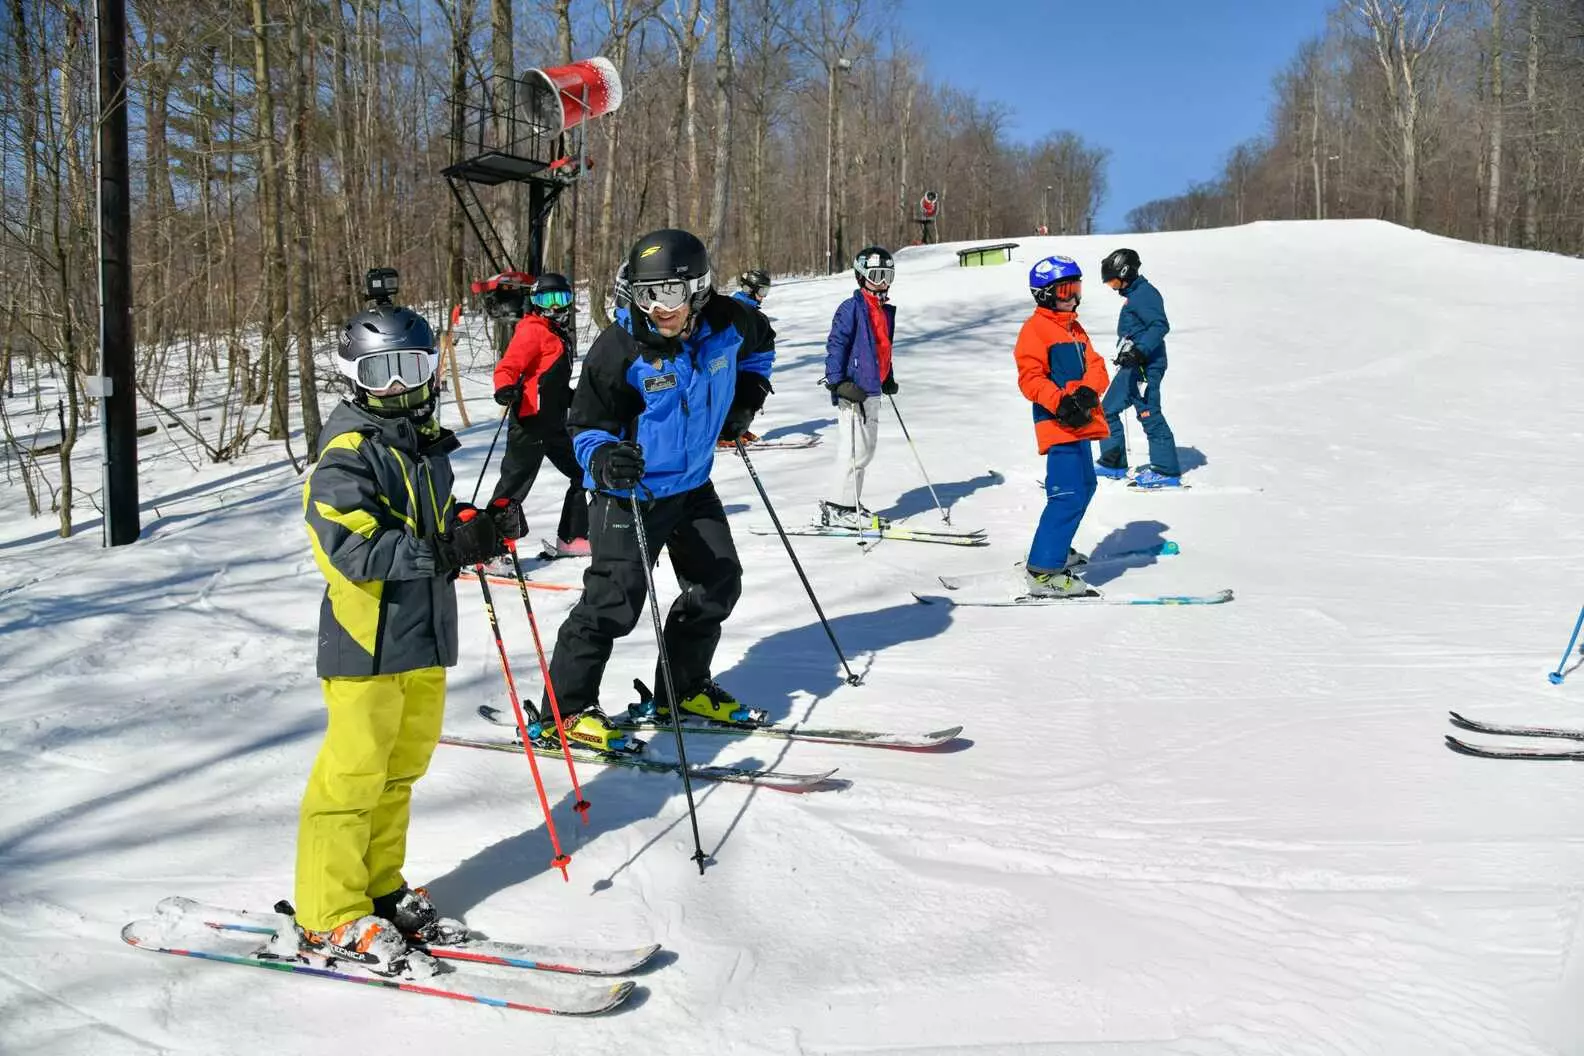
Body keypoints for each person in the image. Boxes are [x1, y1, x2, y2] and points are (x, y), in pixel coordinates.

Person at [297, 302, 526, 975]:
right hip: (366, 640)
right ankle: (328, 913)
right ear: (354, 377)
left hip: (424, 635)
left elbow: (430, 519)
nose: (396, 385)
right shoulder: (347, 451)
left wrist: (477, 523)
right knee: (352, 777)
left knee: (399, 773)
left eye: (409, 368)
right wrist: (443, 545)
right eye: (380, 372)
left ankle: (378, 886)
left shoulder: (425, 445)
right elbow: (352, 542)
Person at [535, 229, 776, 753]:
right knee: (612, 603)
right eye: (645, 294)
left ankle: (681, 690)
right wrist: (603, 458)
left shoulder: (731, 321)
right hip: (631, 494)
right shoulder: (619, 347)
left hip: (692, 484)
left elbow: (761, 347)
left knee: (717, 583)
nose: (656, 308)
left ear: (699, 289)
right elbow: (584, 426)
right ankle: (565, 711)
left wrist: (747, 399)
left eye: (669, 293)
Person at [1014, 255, 1110, 597]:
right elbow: (1030, 379)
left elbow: (1097, 365)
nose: (1074, 297)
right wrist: (1061, 401)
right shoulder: (1035, 330)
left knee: (1085, 485)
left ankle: (1058, 546)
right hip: (1058, 424)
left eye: (1077, 288)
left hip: (1082, 423)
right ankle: (1043, 570)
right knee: (1067, 494)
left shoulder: (1073, 328)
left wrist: (1087, 391)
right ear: (1044, 294)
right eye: (1067, 289)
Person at [490, 272, 590, 557]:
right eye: (547, 299)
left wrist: (577, 399)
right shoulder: (532, 329)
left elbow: (551, 380)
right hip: (531, 423)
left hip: (554, 423)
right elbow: (507, 366)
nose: (555, 307)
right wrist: (505, 388)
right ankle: (490, 550)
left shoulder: (555, 332)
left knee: (583, 473)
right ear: (535, 301)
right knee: (513, 488)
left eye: (561, 299)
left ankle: (573, 538)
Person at [820, 246, 899, 529]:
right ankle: (837, 507)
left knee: (866, 450)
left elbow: (881, 348)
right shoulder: (851, 308)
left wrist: (887, 375)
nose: (882, 282)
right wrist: (837, 381)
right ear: (861, 276)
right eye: (876, 275)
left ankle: (849, 502)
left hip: (872, 389)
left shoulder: (883, 310)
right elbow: (836, 345)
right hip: (853, 389)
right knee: (853, 450)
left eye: (887, 275)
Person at [1094, 247, 1181, 488]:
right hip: (1133, 365)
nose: (1113, 287)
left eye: (1113, 281)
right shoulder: (1135, 295)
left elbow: (1159, 325)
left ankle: (1166, 471)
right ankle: (1113, 462)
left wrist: (1140, 351)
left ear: (1126, 272)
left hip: (1146, 366)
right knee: (1107, 409)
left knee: (1148, 412)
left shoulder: (1145, 294)